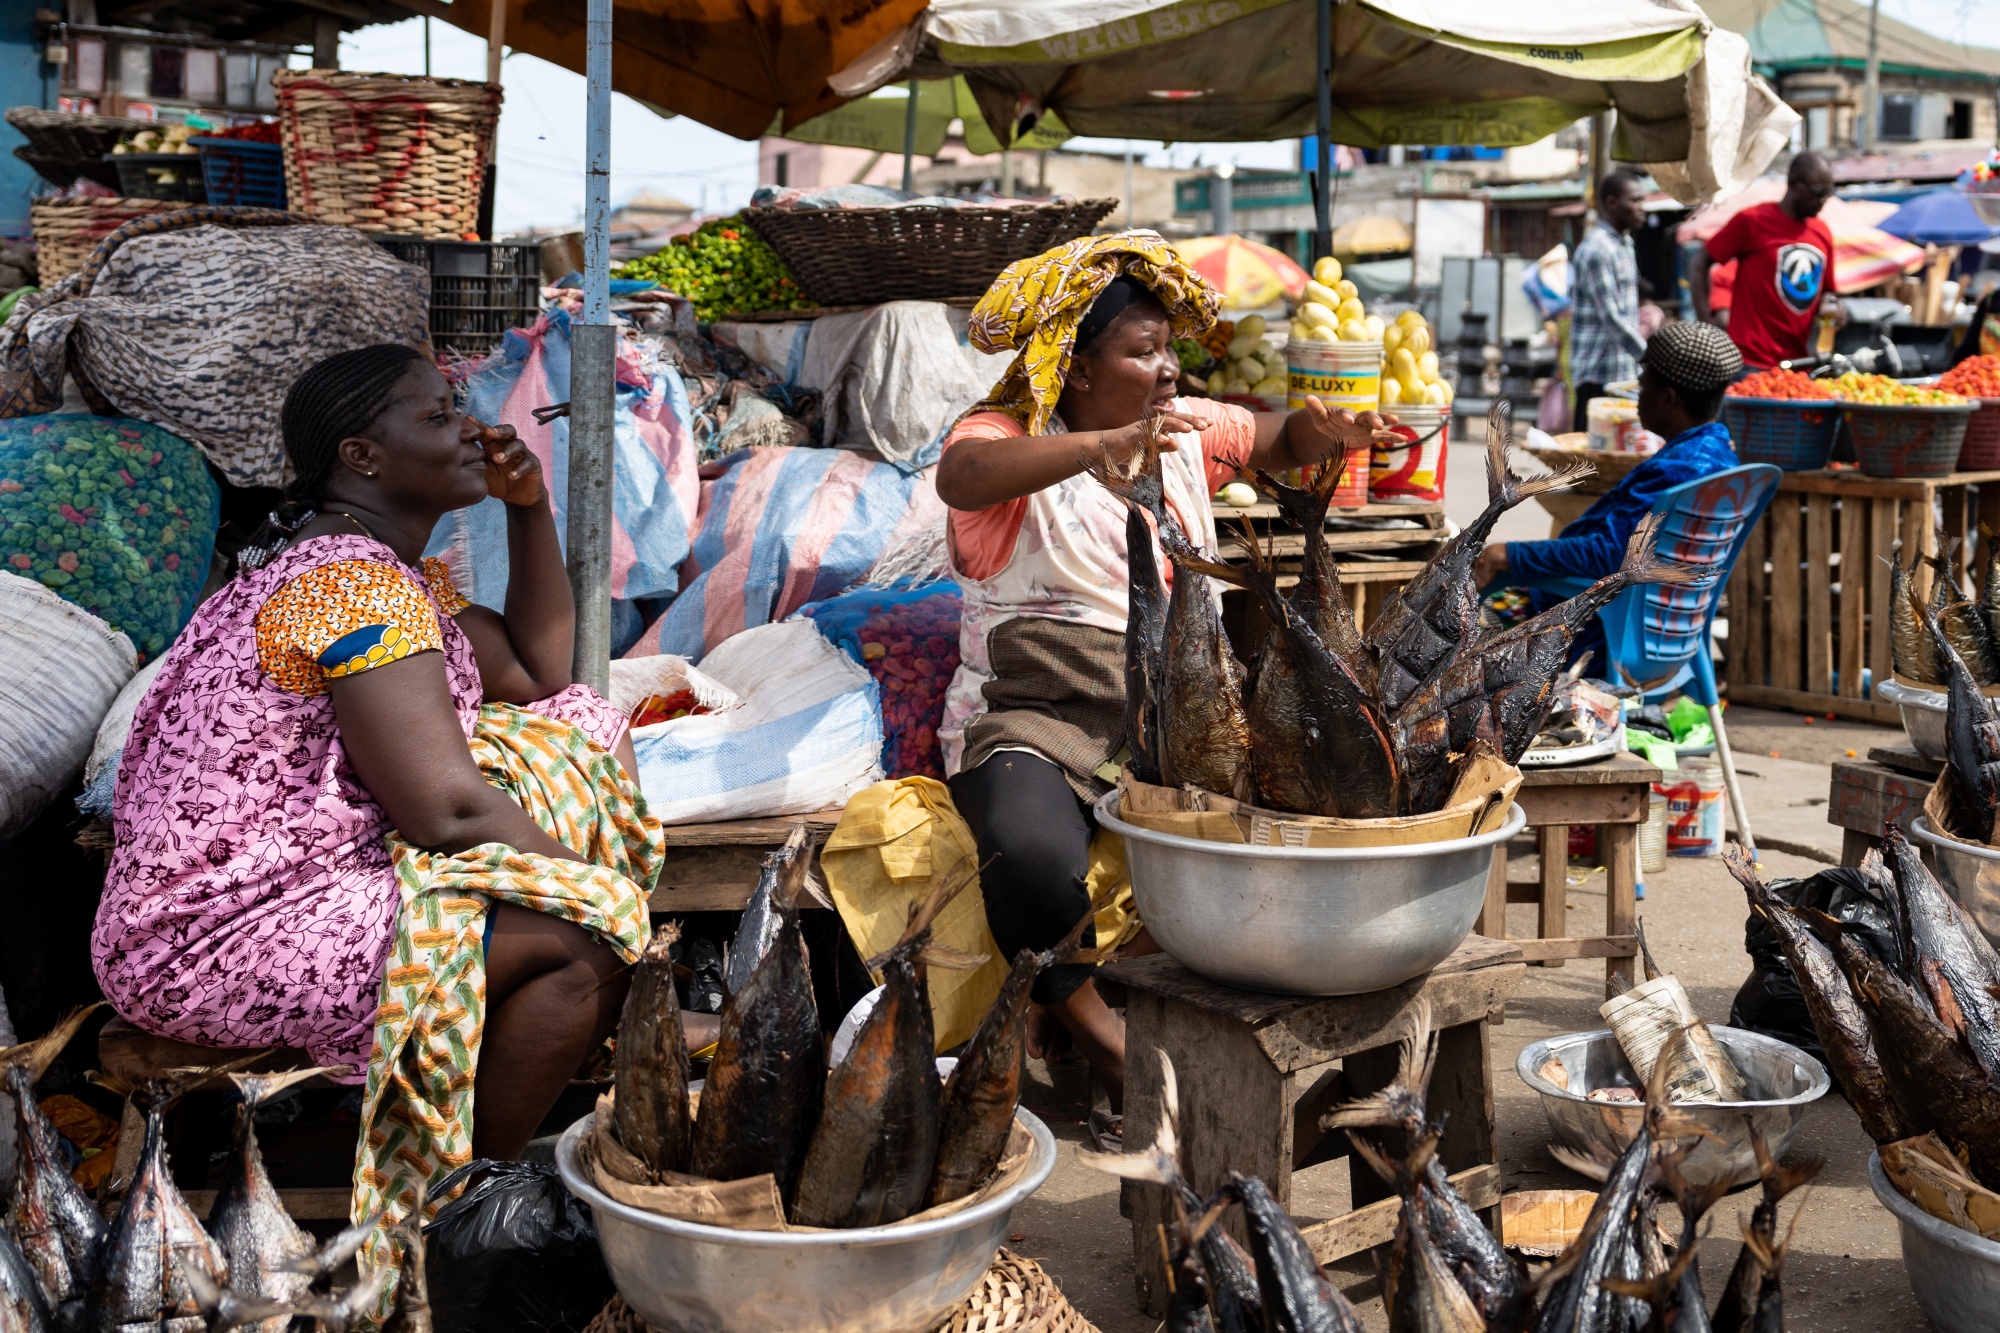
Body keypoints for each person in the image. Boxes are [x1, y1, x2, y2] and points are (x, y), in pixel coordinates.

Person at [94, 344, 660, 1270]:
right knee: (581, 947)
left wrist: (529, 507)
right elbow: (446, 812)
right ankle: (463, 1217)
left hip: (287, 883)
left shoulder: (376, 572)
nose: (471, 430)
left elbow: (540, 673)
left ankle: (474, 1125)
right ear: (362, 457)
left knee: (578, 724)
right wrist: (606, 901)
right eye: (437, 417)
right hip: (212, 935)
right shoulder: (349, 584)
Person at [935, 233, 1398, 1135]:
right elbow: (963, 475)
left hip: (1181, 711)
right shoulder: (1005, 436)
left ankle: (1257, 1039)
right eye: (1143, 351)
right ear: (1074, 369)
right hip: (1035, 715)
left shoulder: (1184, 431)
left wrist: (1324, 431)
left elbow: (1274, 438)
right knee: (1029, 857)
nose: (1169, 370)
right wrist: (1106, 445)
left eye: (1169, 348)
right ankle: (1097, 1030)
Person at [1471, 321, 1744, 664]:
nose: (1638, 398)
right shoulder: (1721, 458)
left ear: (1667, 398)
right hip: (1662, 629)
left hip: (1598, 630)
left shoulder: (1679, 470)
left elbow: (1610, 554)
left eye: (1643, 387)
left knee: (1455, 623)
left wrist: (1509, 555)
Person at [1689, 151, 1841, 369]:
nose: (1824, 200)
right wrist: (1707, 329)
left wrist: (1832, 306)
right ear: (1794, 184)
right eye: (1818, 192)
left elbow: (1828, 291)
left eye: (1829, 192)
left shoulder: (1822, 232)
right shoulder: (1753, 220)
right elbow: (1700, 261)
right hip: (1749, 362)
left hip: (1799, 363)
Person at [1570, 169, 1649, 427]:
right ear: (1612, 203)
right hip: (1597, 374)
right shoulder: (1598, 249)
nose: (1642, 207)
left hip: (1622, 373)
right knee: (1591, 450)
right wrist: (1649, 357)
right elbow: (1611, 316)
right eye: (1635, 201)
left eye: (1642, 200)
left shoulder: (1625, 243)